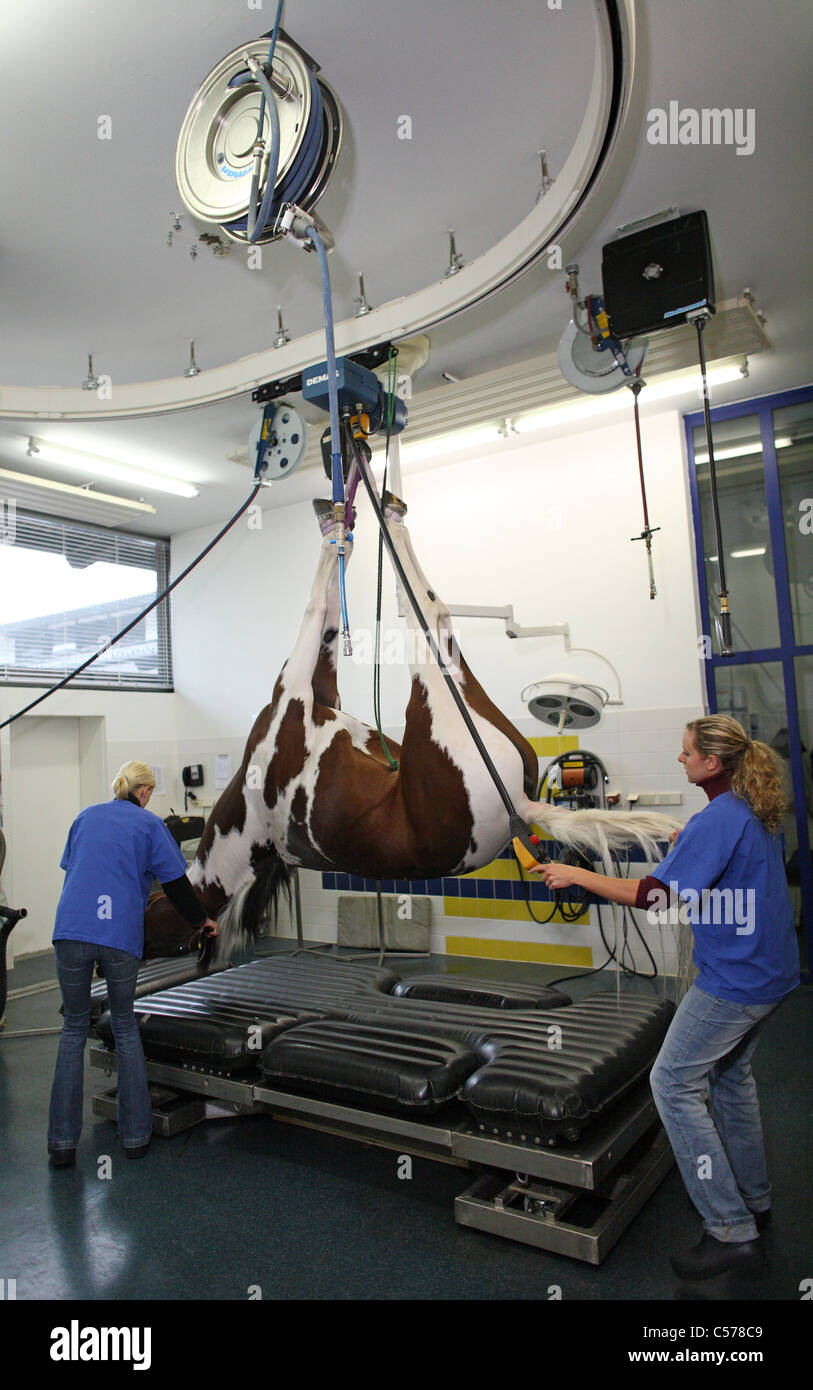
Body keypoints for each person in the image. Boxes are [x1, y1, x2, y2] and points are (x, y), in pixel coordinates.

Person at [533, 716, 800, 1280]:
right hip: (774, 971)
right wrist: (688, 843)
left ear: (712, 763)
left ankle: (731, 1231)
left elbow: (655, 898)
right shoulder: (752, 806)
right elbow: (722, 869)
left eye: (686, 753)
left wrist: (575, 876)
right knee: (731, 1079)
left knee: (672, 1082)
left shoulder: (718, 819)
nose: (680, 760)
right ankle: (754, 1198)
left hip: (736, 983)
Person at [48, 760, 219, 1167]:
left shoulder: (85, 817)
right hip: (119, 936)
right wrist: (202, 921)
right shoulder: (149, 825)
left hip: (70, 930)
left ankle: (61, 1146)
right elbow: (176, 885)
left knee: (73, 1028)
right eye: (150, 792)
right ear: (143, 792)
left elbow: (76, 871)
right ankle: (136, 1137)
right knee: (124, 1025)